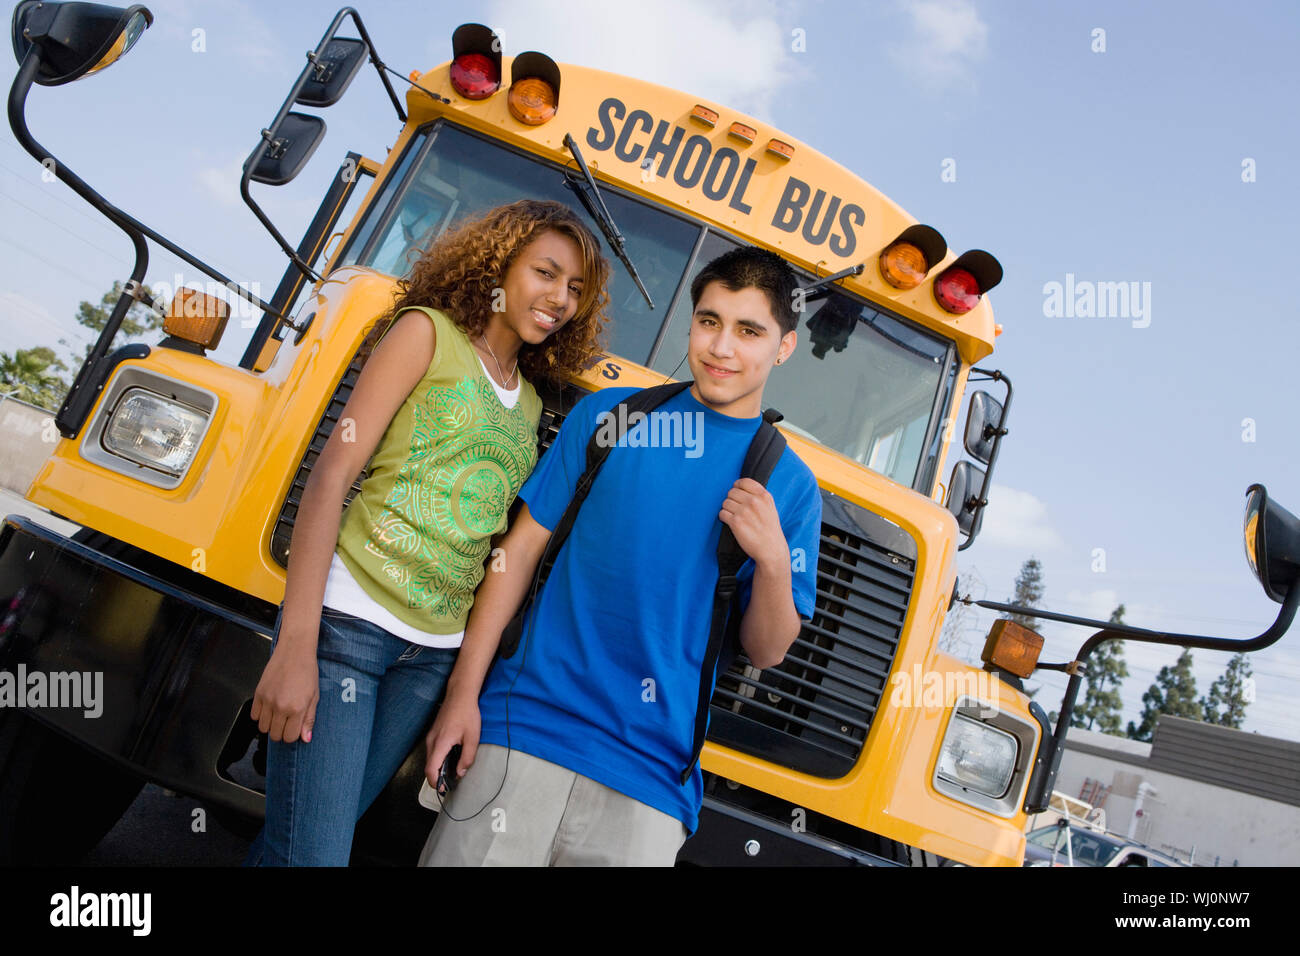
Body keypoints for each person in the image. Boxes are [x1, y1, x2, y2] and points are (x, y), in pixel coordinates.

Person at [419, 246, 822, 866]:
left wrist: (771, 560)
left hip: (650, 787)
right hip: (522, 732)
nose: (721, 348)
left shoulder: (789, 487)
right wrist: (462, 694)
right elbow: (518, 551)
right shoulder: (609, 418)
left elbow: (767, 650)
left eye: (749, 331)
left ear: (783, 348)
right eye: (710, 322)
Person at [243, 199, 610, 866]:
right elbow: (332, 477)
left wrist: (461, 684)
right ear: (500, 267)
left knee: (295, 846)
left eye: (576, 289)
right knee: (316, 857)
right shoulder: (426, 334)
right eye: (546, 273)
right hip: (347, 630)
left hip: (430, 658)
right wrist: (293, 645)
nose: (560, 298)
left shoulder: (528, 402)